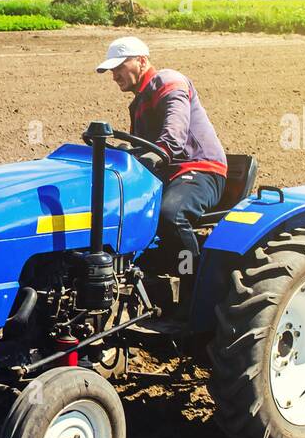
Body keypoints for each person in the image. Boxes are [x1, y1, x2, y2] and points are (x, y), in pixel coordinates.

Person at [97, 36, 227, 309]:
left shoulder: (169, 82)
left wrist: (153, 154)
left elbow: (173, 135)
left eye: (119, 67)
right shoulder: (139, 102)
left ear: (142, 61)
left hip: (199, 169)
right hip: (169, 174)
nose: (114, 76)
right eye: (112, 70)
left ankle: (194, 289)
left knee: (171, 215)